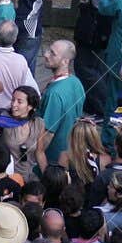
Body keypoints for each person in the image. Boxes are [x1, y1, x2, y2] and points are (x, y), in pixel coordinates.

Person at [37, 41, 84, 171]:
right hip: (70, 151)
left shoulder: (54, 94)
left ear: (65, 61)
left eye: (53, 53)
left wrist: (36, 157)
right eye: (48, 50)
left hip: (51, 159)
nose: (46, 54)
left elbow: (47, 134)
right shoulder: (76, 82)